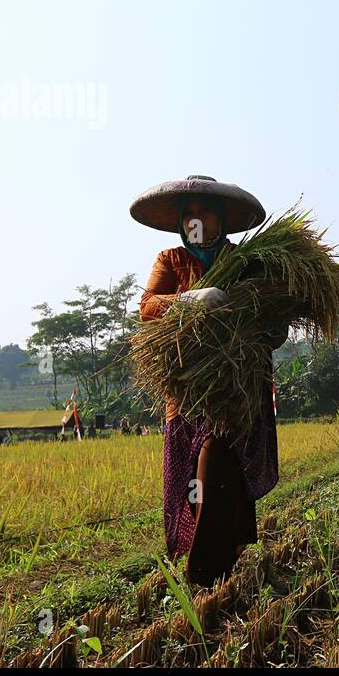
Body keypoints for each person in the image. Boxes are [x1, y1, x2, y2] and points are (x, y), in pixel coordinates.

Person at [131, 174, 287, 587]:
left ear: (221, 220)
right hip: (185, 393)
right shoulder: (170, 261)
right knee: (195, 480)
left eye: (205, 213)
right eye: (189, 214)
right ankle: (206, 569)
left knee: (221, 465)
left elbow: (274, 327)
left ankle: (212, 570)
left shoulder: (248, 262)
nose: (195, 221)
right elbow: (147, 307)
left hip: (238, 392)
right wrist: (188, 300)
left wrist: (253, 321)